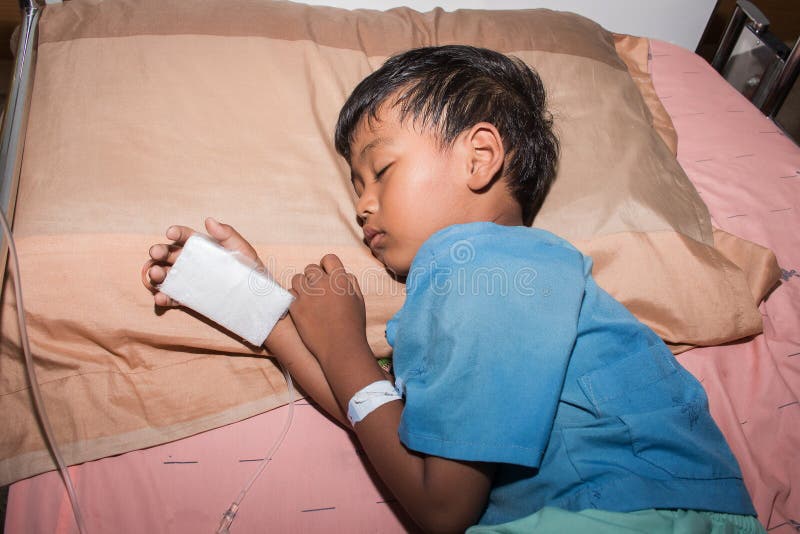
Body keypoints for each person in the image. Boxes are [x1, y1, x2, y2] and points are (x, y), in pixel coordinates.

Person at [144, 45, 764, 533]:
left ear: (480, 157)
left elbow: (442, 505)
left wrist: (342, 345)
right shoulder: (475, 288)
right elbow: (386, 426)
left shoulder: (480, 259)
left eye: (380, 171)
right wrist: (258, 305)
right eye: (355, 187)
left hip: (629, 513)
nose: (362, 206)